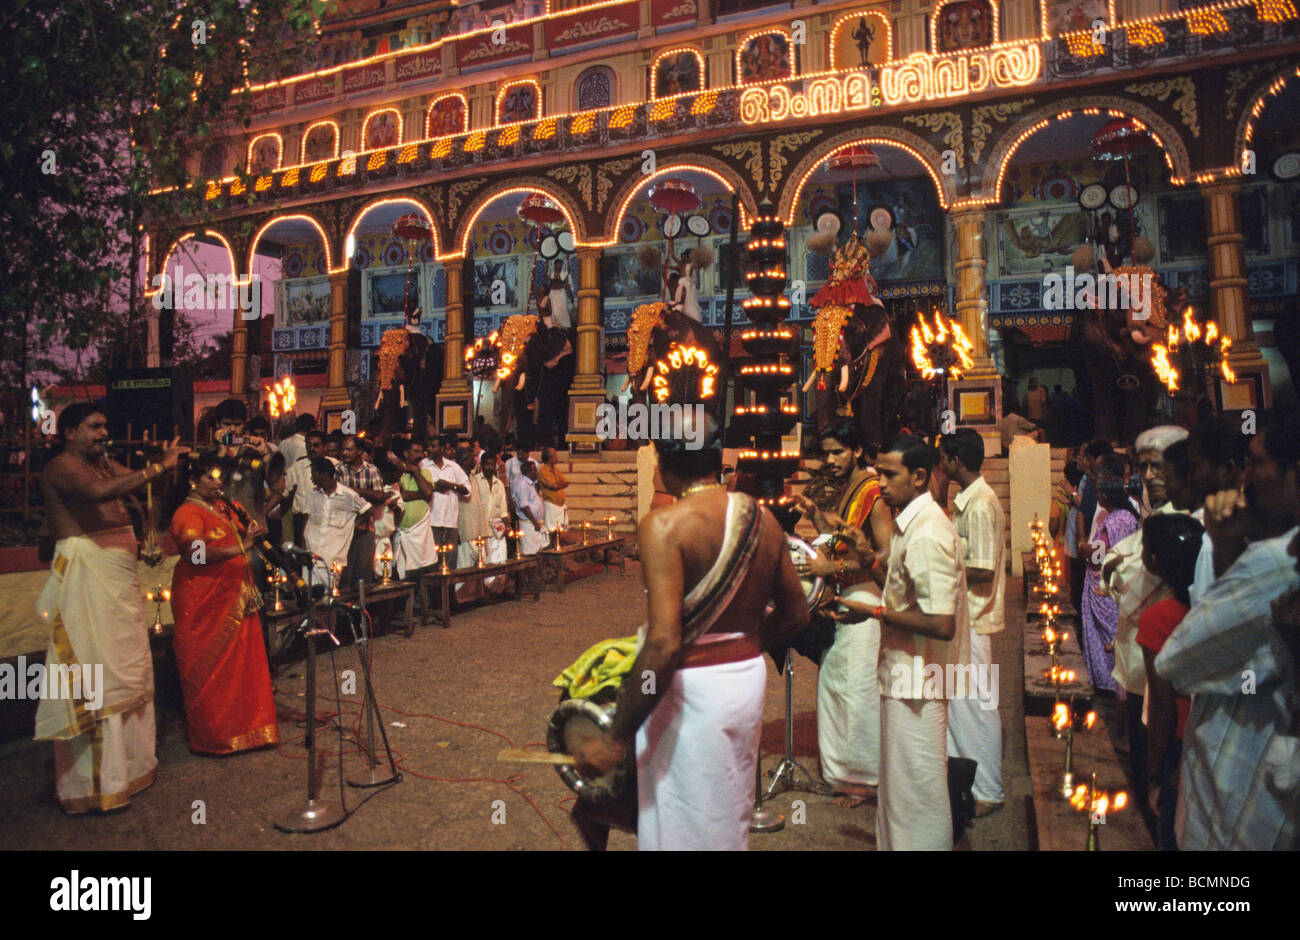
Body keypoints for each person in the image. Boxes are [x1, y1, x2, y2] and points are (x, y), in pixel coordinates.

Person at [572, 413, 809, 850]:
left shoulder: (664, 526)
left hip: (689, 689)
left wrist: (616, 737)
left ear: (660, 464)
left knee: (681, 813)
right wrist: (742, 646)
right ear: (719, 459)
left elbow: (663, 643)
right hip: (743, 680)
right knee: (725, 805)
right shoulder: (764, 521)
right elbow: (796, 614)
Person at [1156, 409, 1300, 850]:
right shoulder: (1258, 548)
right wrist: (1227, 547)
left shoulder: (1276, 562)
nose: (1247, 481)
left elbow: (1176, 661)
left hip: (1244, 806)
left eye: (1256, 464)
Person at [34, 403, 189, 812]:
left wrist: (162, 464)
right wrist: (158, 468)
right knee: (97, 670)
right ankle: (95, 783)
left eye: (105, 426)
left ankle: (132, 769)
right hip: (88, 576)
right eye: (94, 427)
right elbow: (98, 494)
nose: (103, 433)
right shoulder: (62, 466)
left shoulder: (104, 462)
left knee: (127, 670)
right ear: (69, 432)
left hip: (116, 580)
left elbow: (135, 485)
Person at [836, 433, 970, 850]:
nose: (880, 484)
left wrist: (873, 612)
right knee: (901, 788)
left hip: (919, 682)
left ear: (918, 476)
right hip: (905, 675)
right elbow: (900, 593)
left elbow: (941, 622)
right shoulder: (909, 523)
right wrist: (866, 558)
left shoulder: (928, 532)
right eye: (878, 474)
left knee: (918, 791)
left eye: (889, 475)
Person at [791, 420, 892, 807]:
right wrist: (817, 516)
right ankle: (848, 773)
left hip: (865, 598)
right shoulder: (852, 489)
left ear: (857, 452)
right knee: (838, 685)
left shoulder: (873, 494)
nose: (830, 460)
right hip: (846, 596)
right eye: (826, 453)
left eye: (838, 452)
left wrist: (828, 571)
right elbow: (842, 542)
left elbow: (880, 557)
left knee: (857, 690)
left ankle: (864, 781)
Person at [1098, 424, 1187, 837]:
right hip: (1136, 663)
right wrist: (1117, 563)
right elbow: (1114, 564)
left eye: (1160, 466)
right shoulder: (1148, 513)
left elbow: (1127, 578)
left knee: (1159, 776)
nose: (1151, 475)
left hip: (1164, 670)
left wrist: (1118, 564)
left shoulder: (1184, 519)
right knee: (1141, 763)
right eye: (1145, 465)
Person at [167, 458, 279, 754]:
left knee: (242, 664)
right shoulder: (186, 513)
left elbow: (252, 533)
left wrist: (251, 533)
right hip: (204, 600)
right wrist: (241, 547)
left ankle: (250, 730)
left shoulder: (224, 507)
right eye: (211, 478)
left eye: (220, 479)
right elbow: (195, 555)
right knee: (209, 669)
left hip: (236, 594)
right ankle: (216, 737)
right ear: (193, 481)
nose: (219, 484)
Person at [939, 428, 1006, 818]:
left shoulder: (979, 504)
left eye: (944, 460)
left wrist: (939, 561)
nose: (940, 467)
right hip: (966, 619)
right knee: (962, 708)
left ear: (955, 461)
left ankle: (990, 791)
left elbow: (981, 568)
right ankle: (966, 785)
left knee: (979, 709)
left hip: (976, 619)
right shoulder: (969, 500)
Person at [1136, 512, 1203, 850]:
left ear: (1153, 560)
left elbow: (1163, 708)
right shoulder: (1212, 610)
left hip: (1178, 744)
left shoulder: (1158, 619)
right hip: (1209, 738)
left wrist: (1152, 772)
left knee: (1172, 832)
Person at [1079, 476, 1139, 694]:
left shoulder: (1117, 520)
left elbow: (1107, 555)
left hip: (1107, 588)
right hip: (1107, 585)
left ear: (1104, 495)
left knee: (1110, 640)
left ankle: (1109, 685)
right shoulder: (1122, 517)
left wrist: (1085, 548)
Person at [304, 457, 381, 582]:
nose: (312, 479)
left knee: (328, 598)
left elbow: (368, 510)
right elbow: (307, 523)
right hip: (310, 559)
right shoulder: (313, 495)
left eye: (314, 475)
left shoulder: (347, 495)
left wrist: (353, 526)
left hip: (330, 561)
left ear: (324, 475)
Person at [338, 435, 389, 589]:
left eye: (349, 449)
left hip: (366, 528)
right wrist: (366, 494)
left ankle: (362, 611)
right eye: (343, 449)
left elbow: (380, 496)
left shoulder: (371, 470)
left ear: (359, 451)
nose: (344, 453)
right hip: (344, 529)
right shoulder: (338, 470)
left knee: (364, 574)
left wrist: (354, 491)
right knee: (344, 574)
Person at [391, 437, 439, 579]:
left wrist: (415, 471)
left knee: (424, 572)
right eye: (415, 451)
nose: (419, 455)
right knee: (403, 574)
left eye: (421, 452)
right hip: (401, 528)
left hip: (420, 529)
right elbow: (400, 495)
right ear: (406, 453)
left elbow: (428, 493)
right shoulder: (398, 473)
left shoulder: (424, 473)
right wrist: (421, 495)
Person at [421, 435, 471, 570]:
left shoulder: (453, 467)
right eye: (429, 446)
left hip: (450, 521)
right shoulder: (423, 465)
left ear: (442, 448)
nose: (430, 449)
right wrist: (436, 486)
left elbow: (467, 489)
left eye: (434, 446)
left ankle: (449, 591)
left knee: (450, 562)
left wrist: (450, 485)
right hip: (431, 520)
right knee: (432, 562)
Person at [285, 429, 326, 547]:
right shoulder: (297, 467)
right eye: (309, 445)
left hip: (325, 520)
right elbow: (283, 491)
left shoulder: (335, 466)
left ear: (324, 447)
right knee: (302, 557)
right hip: (301, 519)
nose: (312, 448)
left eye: (316, 445)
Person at [512, 457, 548, 555]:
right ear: (529, 472)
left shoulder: (530, 484)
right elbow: (524, 507)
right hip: (529, 524)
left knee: (538, 550)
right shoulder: (523, 485)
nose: (537, 473)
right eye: (535, 470)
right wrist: (535, 522)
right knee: (530, 552)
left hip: (535, 523)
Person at [537, 446, 570, 533]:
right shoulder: (543, 471)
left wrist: (558, 485)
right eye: (555, 455)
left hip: (560, 505)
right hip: (551, 505)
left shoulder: (556, 470)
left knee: (561, 531)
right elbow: (554, 486)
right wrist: (559, 484)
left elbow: (566, 483)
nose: (557, 457)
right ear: (550, 458)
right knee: (552, 532)